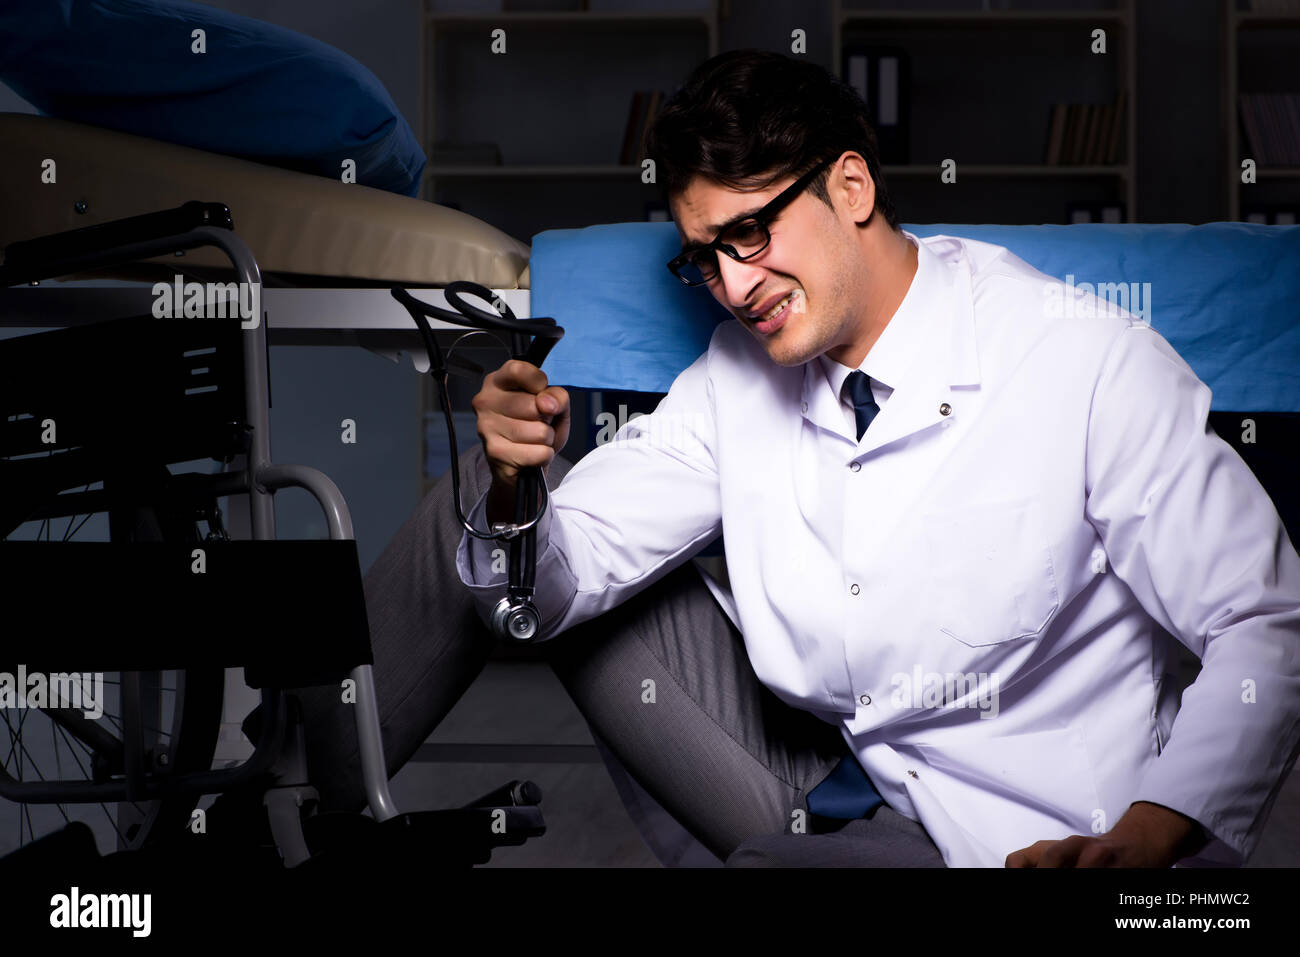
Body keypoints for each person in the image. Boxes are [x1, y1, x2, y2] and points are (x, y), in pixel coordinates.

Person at [292, 50, 1300, 868]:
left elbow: (1265, 620)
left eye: (752, 232)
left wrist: (1157, 824)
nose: (732, 284)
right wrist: (514, 479)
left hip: (1035, 836)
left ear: (850, 185)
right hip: (817, 785)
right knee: (486, 492)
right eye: (702, 254)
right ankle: (281, 816)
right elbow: (560, 585)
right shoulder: (740, 375)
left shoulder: (1081, 358)